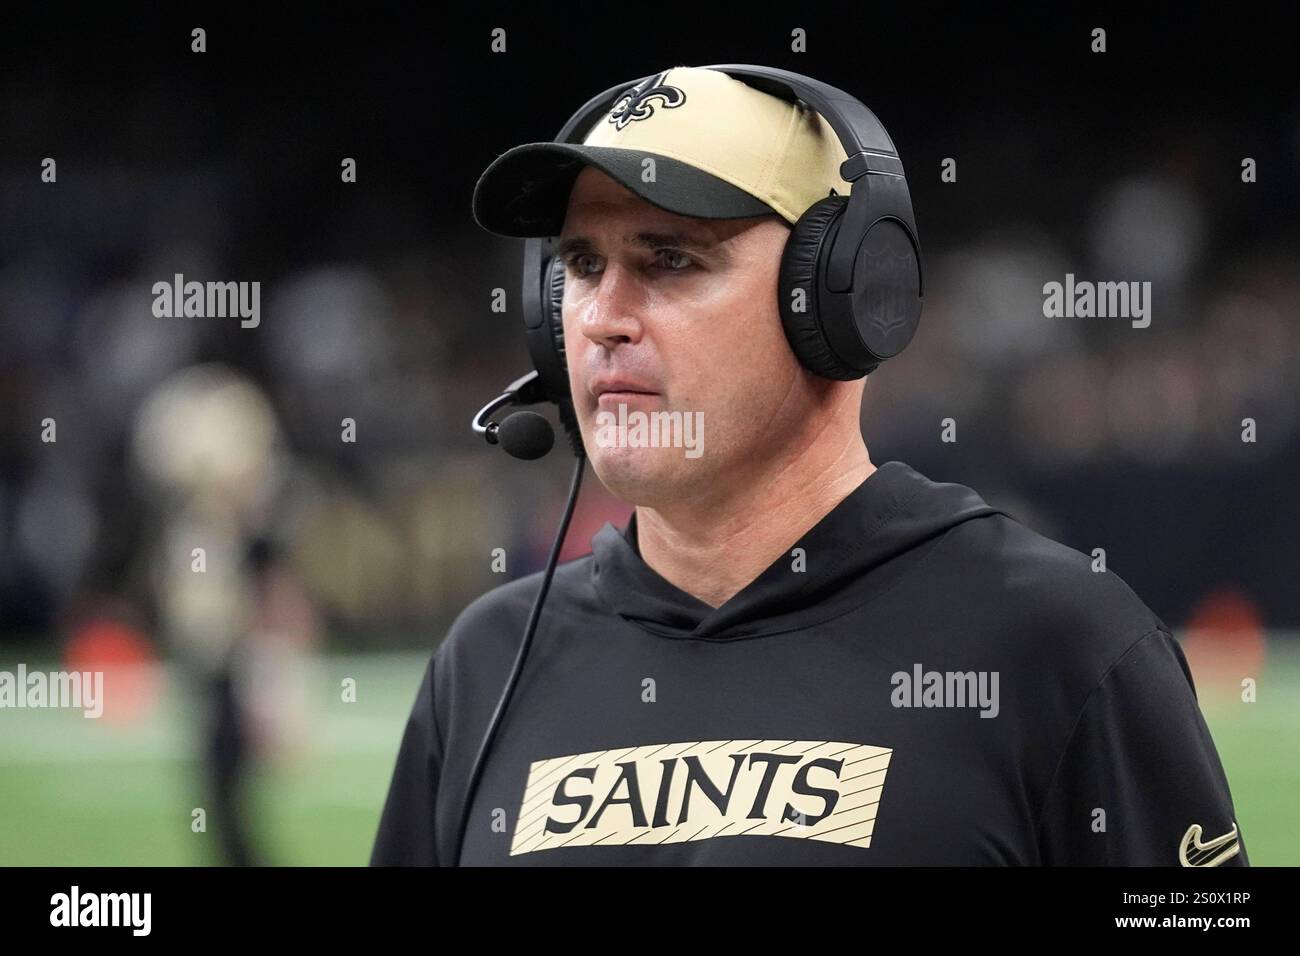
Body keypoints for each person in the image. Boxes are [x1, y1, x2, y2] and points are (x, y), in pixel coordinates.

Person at [371, 65, 1247, 866]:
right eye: (580, 264)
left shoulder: (1058, 643)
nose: (601, 317)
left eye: (669, 259)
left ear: (845, 294)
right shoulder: (485, 665)